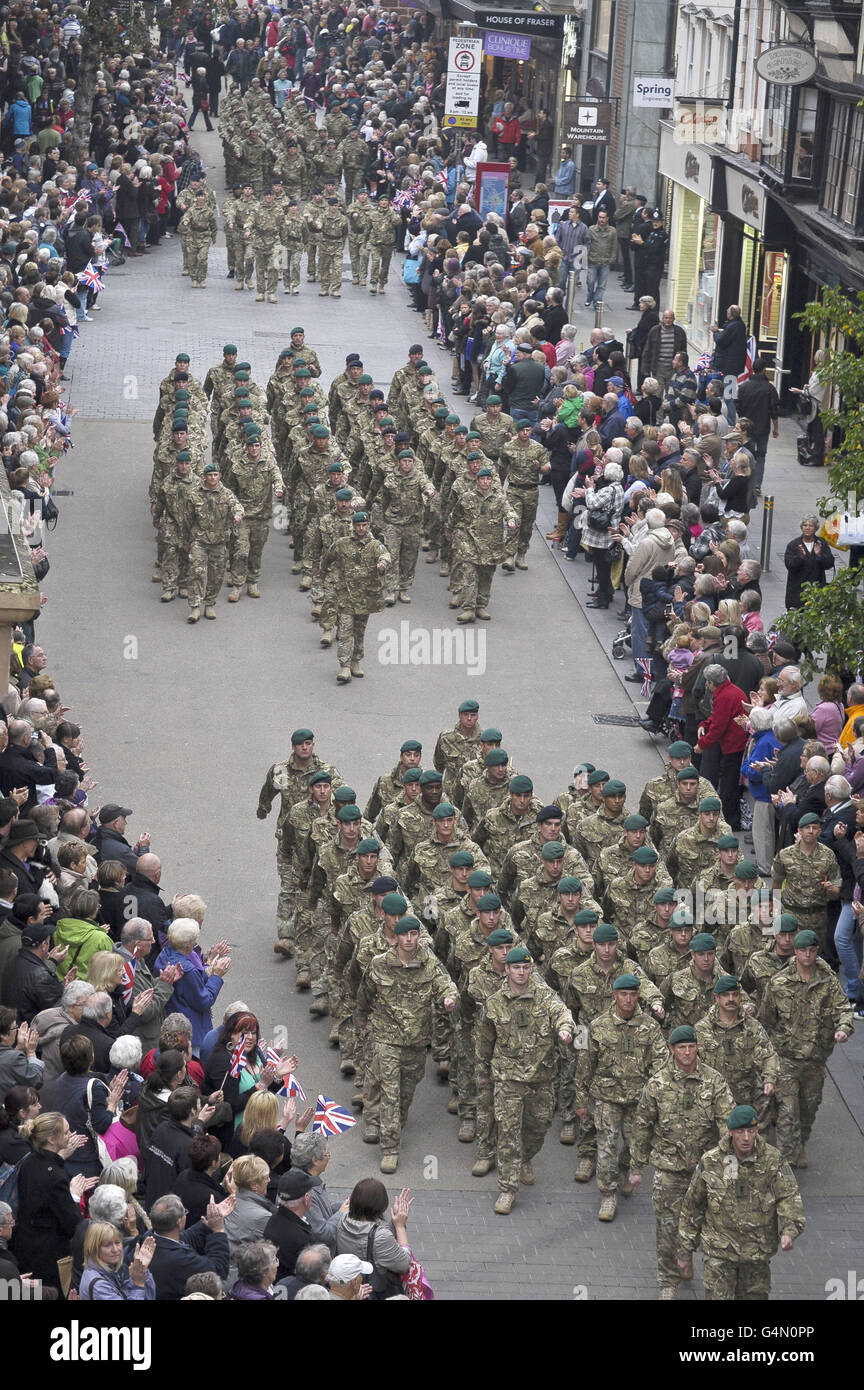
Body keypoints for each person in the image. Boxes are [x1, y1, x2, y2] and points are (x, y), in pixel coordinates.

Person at [629, 1025, 733, 1298]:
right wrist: (637, 1167)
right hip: (668, 1168)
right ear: (673, 1050)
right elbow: (642, 1125)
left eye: (691, 1047)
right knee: (666, 1226)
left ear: (697, 1047)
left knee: (710, 1225)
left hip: (705, 1168)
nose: (687, 1053)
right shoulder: (657, 1084)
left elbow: (727, 1122)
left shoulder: (714, 1081)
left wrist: (729, 1163)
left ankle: (686, 1257)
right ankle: (668, 1280)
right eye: (681, 1048)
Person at [475, 946, 574, 1214]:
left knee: (539, 1126)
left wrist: (565, 1029)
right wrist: (483, 1073)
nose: (521, 972)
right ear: (507, 969)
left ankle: (526, 1157)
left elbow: (562, 1012)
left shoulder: (544, 996)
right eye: (516, 967)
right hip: (507, 1079)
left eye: (526, 968)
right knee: (507, 1133)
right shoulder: (495, 1002)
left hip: (541, 1078)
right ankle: (507, 1189)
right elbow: (484, 1041)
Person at [677, 1103, 805, 1300]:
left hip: (756, 1254)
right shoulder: (710, 1161)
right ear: (730, 1132)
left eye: (751, 1131)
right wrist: (685, 1250)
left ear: (757, 1130)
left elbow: (789, 1196)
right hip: (719, 1252)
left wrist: (789, 1230)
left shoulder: (774, 1160)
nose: (746, 1138)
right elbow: (692, 1206)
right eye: (740, 1131)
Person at [332, 1177, 412, 1299]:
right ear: (381, 1206)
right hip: (372, 1291)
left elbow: (374, 1235)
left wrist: (394, 1222)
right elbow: (404, 1264)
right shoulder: (381, 1237)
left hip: (348, 1286)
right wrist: (400, 1226)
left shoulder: (342, 1218)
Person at [148, 1192, 232, 1300]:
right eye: (185, 1212)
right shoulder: (181, 1260)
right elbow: (218, 1270)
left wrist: (211, 1218)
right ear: (179, 1221)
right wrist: (218, 1231)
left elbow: (185, 1237)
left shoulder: (150, 1239)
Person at [79, 1222, 156, 1300]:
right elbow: (136, 1290)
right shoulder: (98, 1286)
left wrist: (142, 1270)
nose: (115, 1250)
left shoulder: (108, 1270)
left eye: (117, 1243)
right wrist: (138, 1284)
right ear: (93, 1249)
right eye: (107, 1245)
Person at [736, 360, 780, 492]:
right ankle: (757, 484)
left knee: (746, 454)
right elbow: (774, 410)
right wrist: (776, 428)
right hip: (762, 427)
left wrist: (741, 422)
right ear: (764, 370)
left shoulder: (744, 387)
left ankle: (745, 479)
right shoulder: (769, 388)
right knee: (760, 456)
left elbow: (738, 407)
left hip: (747, 429)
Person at [783, 516, 835, 610]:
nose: (807, 528)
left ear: (815, 528)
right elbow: (789, 565)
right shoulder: (793, 545)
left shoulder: (821, 543)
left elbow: (830, 563)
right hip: (797, 592)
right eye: (805, 525)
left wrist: (819, 555)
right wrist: (800, 557)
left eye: (810, 525)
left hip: (816, 590)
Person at [710, 306, 748, 426]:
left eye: (727, 312)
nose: (726, 313)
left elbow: (721, 341)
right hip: (733, 366)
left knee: (728, 396)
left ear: (730, 314)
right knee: (727, 394)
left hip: (729, 367)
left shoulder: (732, 326)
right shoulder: (739, 325)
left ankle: (731, 421)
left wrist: (715, 332)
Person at [585, 210, 617, 311]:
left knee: (601, 285)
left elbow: (614, 246)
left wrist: (612, 258)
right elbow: (587, 244)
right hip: (592, 260)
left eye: (603, 217)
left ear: (607, 218)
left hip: (605, 261)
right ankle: (590, 294)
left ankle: (597, 302)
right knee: (590, 281)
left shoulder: (612, 231)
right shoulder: (591, 229)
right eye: (600, 217)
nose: (601, 219)